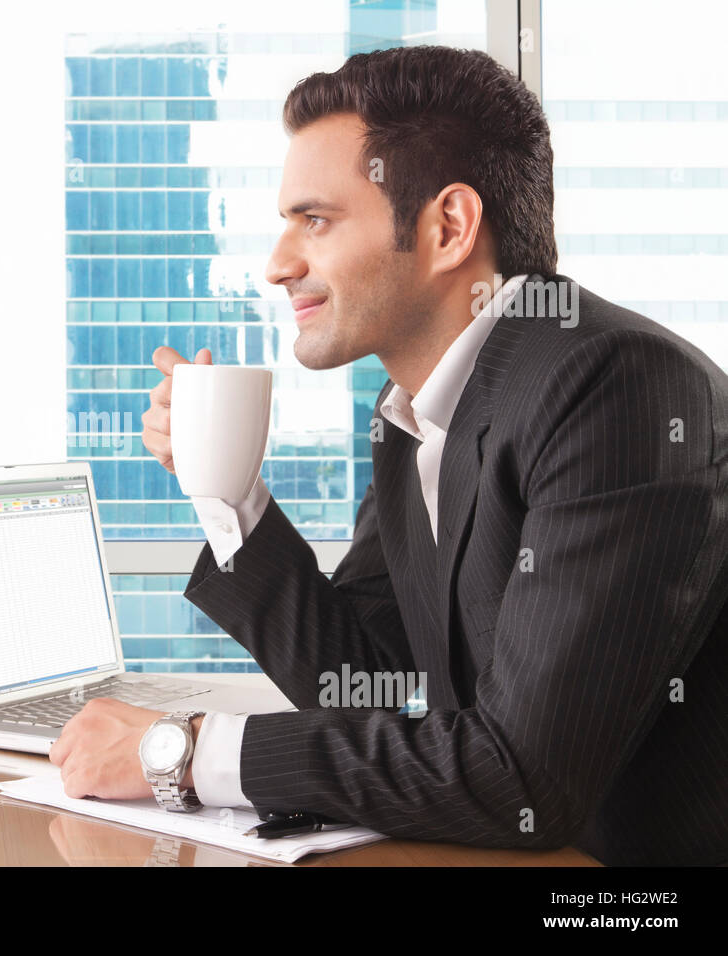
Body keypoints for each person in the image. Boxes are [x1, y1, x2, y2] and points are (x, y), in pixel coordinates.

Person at [49, 45, 728, 866]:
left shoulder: (613, 385)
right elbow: (357, 677)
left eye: (317, 220)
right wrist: (225, 488)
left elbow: (523, 778)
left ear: (448, 227)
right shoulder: (416, 410)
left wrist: (185, 753)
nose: (278, 264)